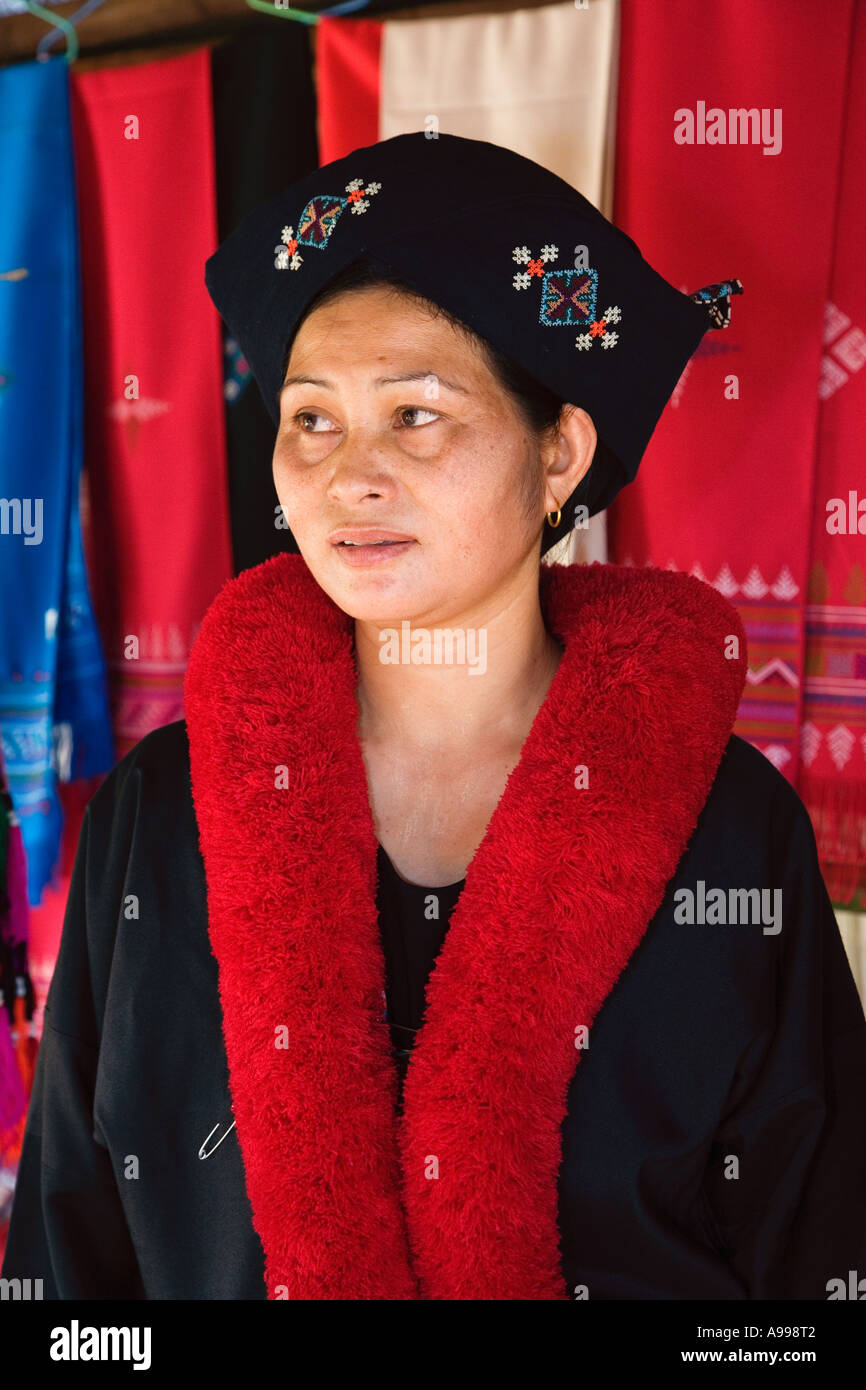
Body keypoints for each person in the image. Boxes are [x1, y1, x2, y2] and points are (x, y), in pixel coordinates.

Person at [3, 132, 865, 1301]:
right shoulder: (161, 814)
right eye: (311, 420)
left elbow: (818, 1253)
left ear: (559, 452)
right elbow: (72, 1258)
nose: (350, 473)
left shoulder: (726, 827)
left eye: (416, 415)